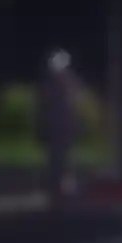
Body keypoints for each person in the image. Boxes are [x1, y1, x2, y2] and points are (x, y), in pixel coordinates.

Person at [38, 50, 79, 206]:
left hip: (63, 129)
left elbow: (72, 107)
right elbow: (44, 109)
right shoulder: (52, 86)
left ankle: (63, 190)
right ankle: (56, 191)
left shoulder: (67, 84)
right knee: (56, 160)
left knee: (65, 160)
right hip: (56, 130)